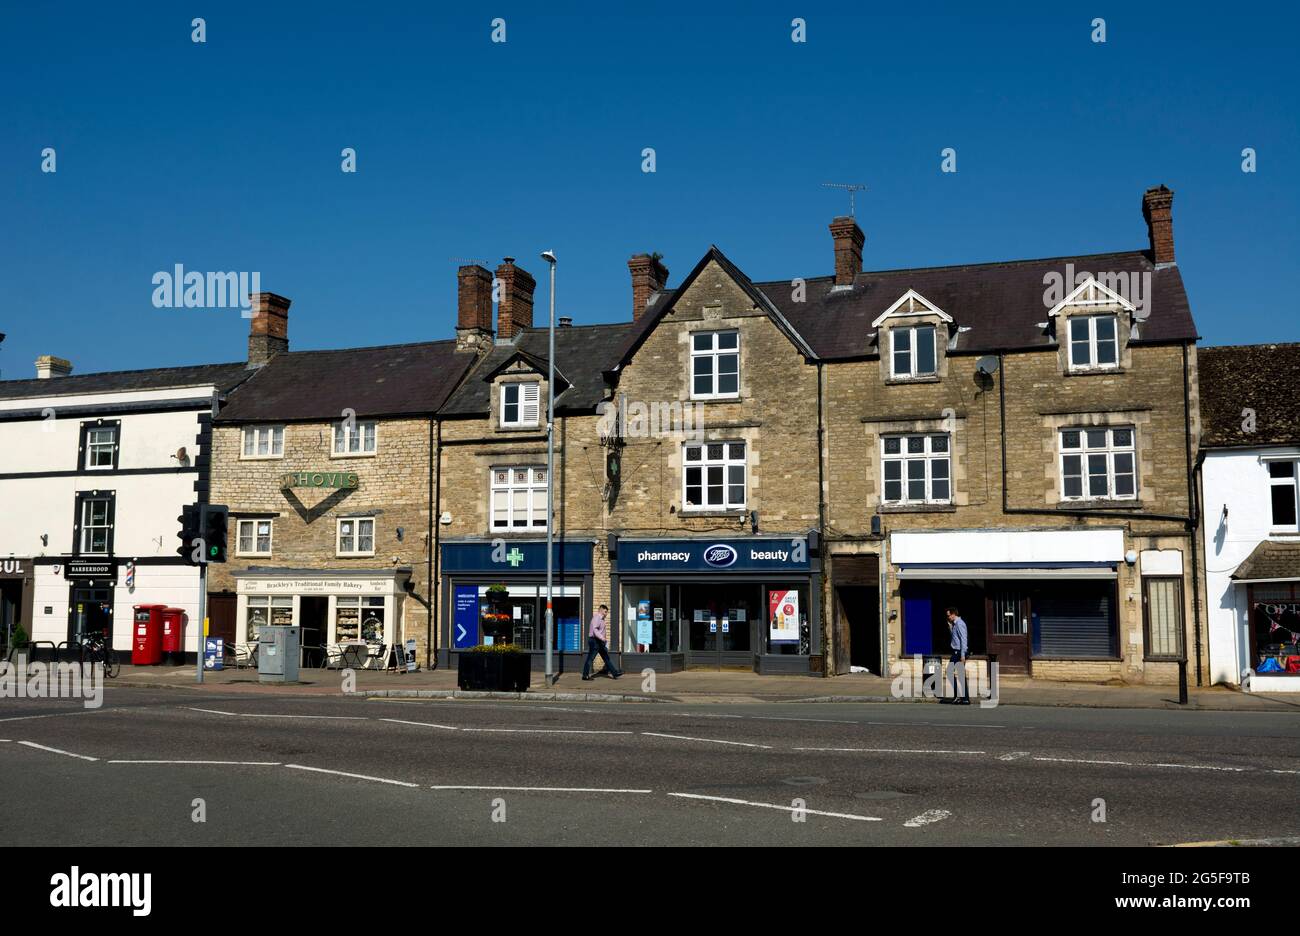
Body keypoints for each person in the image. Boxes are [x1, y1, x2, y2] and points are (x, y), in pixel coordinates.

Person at [582, 604, 622, 680]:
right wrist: (602, 638)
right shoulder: (597, 618)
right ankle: (585, 675)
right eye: (605, 612)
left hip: (599, 641)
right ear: (600, 610)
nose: (606, 614)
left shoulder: (602, 619)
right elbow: (595, 630)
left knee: (606, 658)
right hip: (595, 641)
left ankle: (615, 673)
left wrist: (604, 640)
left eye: (607, 612)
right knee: (590, 658)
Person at [943, 606, 970, 705]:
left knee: (950, 672)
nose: (948, 617)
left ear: (954, 614)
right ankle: (964, 698)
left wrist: (962, 655)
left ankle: (961, 697)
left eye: (949, 615)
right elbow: (955, 638)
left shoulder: (959, 624)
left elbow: (963, 639)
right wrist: (950, 628)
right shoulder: (954, 624)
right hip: (956, 651)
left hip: (958, 652)